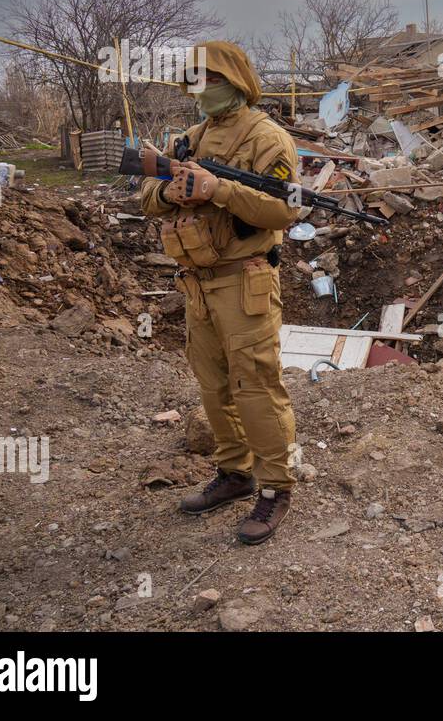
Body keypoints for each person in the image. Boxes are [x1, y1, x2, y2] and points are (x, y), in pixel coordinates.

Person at [139, 41, 300, 545]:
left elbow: (283, 211)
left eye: (209, 79)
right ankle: (234, 473)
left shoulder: (268, 139)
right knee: (214, 387)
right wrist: (169, 191)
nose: (200, 89)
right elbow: (146, 197)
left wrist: (219, 190)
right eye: (194, 80)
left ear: (235, 81)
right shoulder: (189, 137)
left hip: (244, 279)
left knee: (255, 385)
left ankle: (275, 488)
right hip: (197, 285)